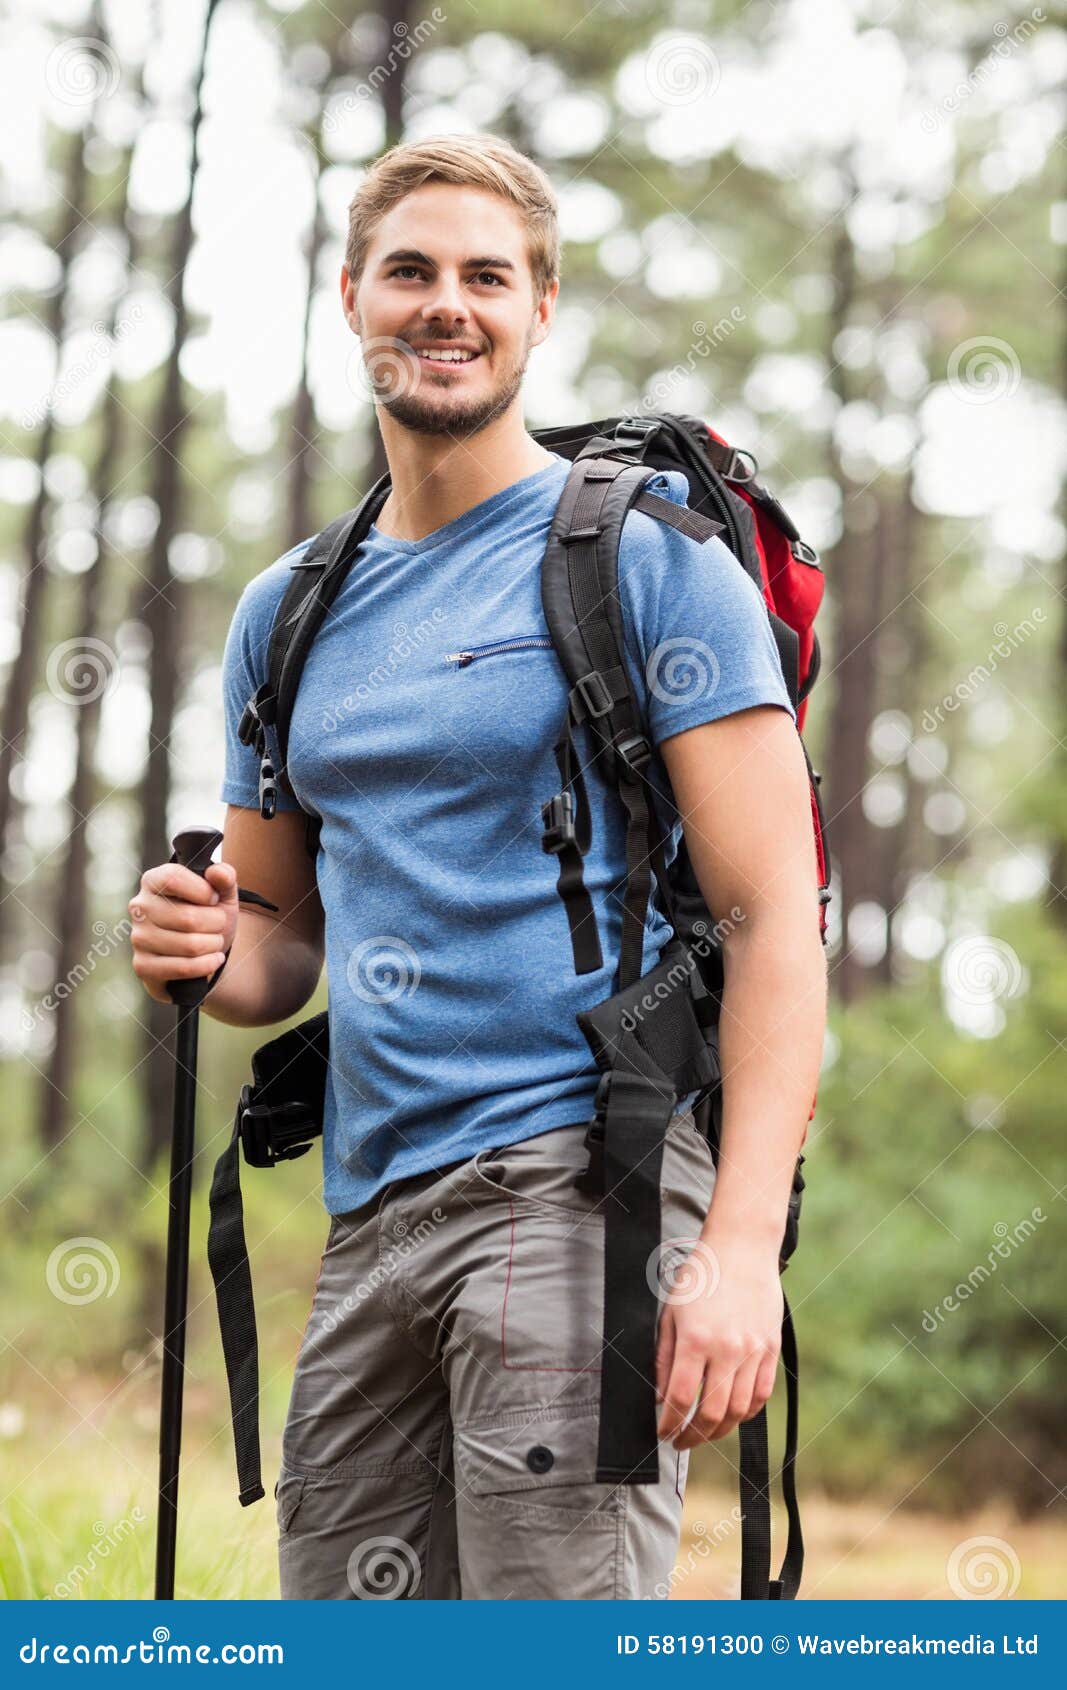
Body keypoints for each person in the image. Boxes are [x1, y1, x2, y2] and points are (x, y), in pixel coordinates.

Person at [129, 132, 827, 1601]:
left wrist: (741, 1245)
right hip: (371, 1215)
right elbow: (276, 943)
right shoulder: (292, 609)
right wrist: (204, 943)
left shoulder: (642, 558)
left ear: (542, 308)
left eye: (485, 276)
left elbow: (777, 920)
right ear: (351, 299)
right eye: (412, 271)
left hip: (578, 1188)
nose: (447, 303)